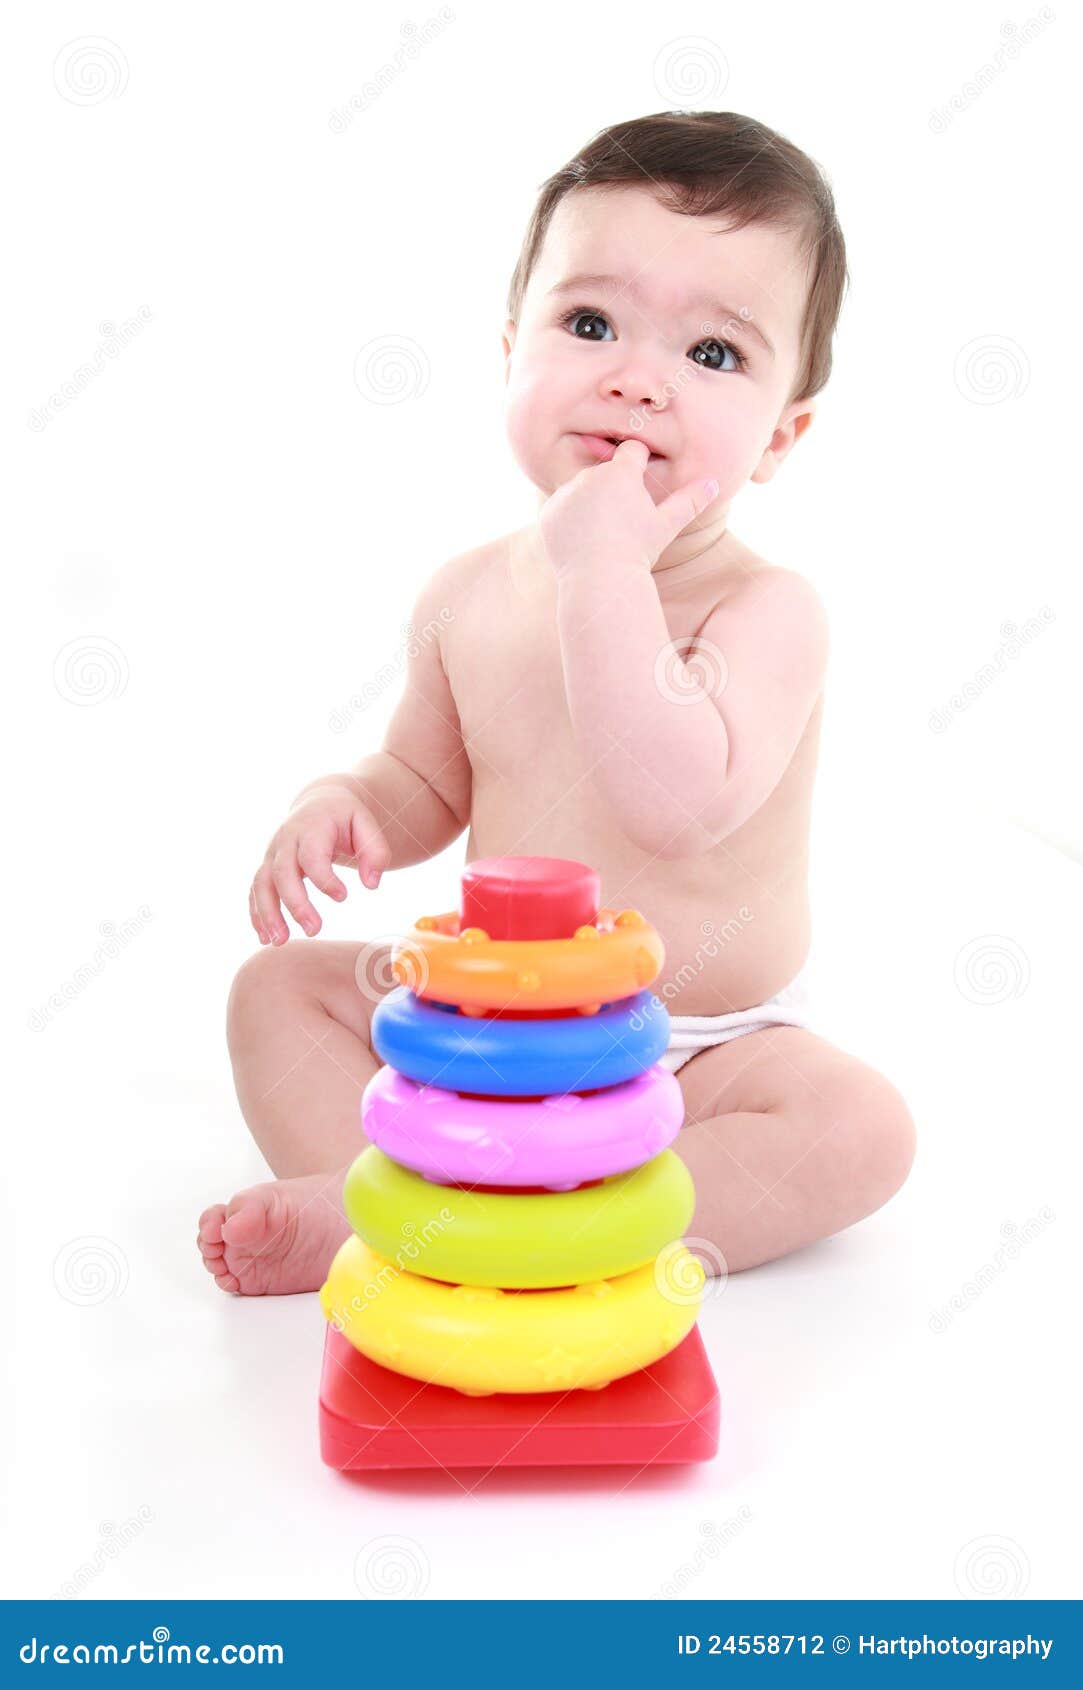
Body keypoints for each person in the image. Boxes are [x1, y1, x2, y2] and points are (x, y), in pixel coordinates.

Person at [198, 110, 915, 1296]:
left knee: (860, 1126)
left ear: (782, 437)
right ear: (508, 353)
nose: (638, 380)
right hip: (499, 1033)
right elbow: (425, 783)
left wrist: (604, 575)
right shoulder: (468, 593)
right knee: (276, 995)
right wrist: (346, 805)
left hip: (703, 1051)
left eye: (714, 355)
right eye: (590, 325)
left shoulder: (768, 612)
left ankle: (524, 1223)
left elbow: (671, 803)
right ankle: (397, 1207)